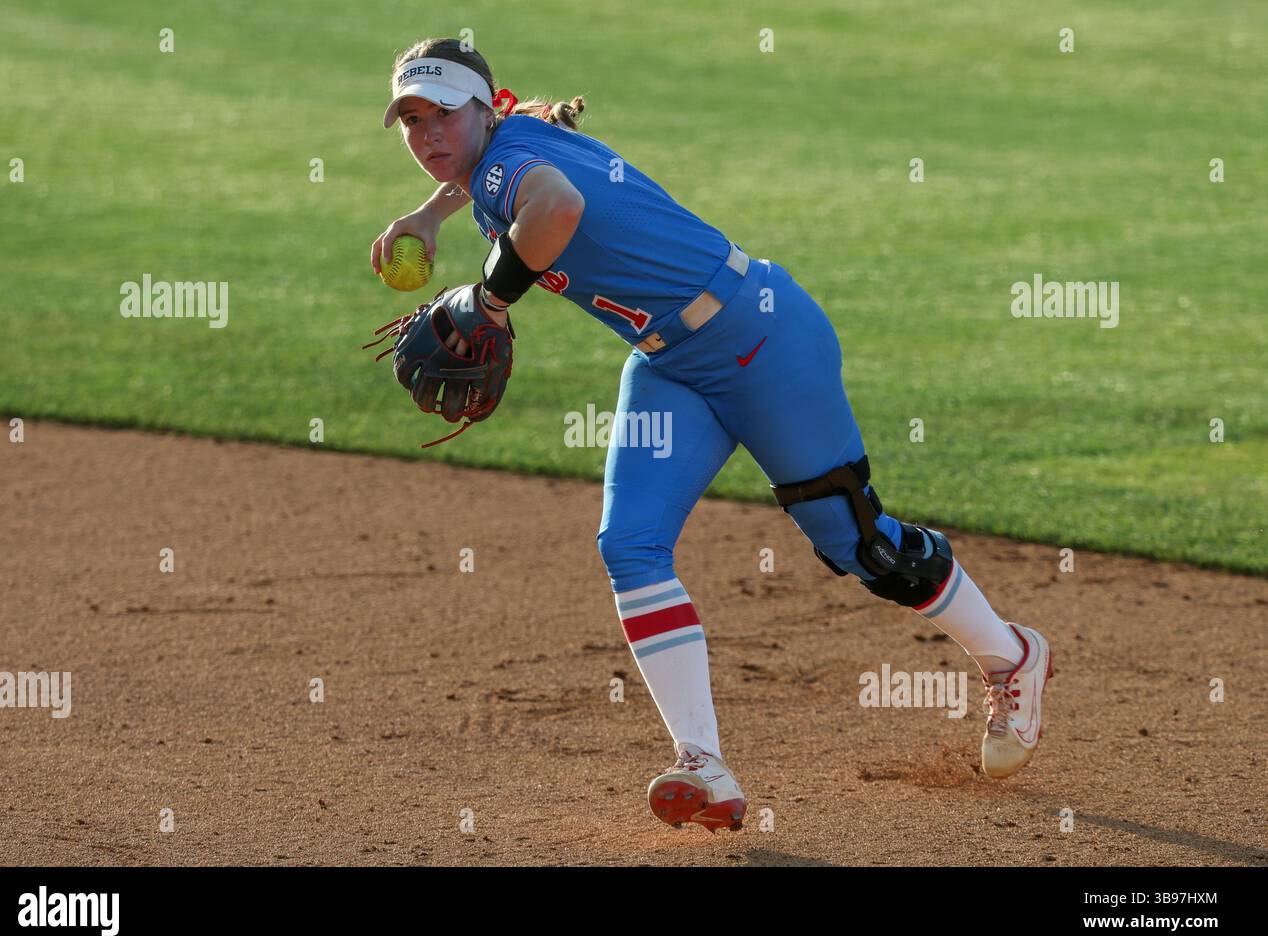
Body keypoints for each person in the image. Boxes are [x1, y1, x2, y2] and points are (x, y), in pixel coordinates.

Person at [371, 38, 1054, 833]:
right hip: (669, 365)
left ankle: (1013, 659)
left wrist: (489, 301)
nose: (427, 136)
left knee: (863, 550)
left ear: (485, 109)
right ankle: (706, 765)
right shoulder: (499, 153)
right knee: (629, 544)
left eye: (443, 115)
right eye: (411, 121)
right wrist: (428, 211)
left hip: (763, 342)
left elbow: (554, 208)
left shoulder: (509, 163)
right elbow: (498, 173)